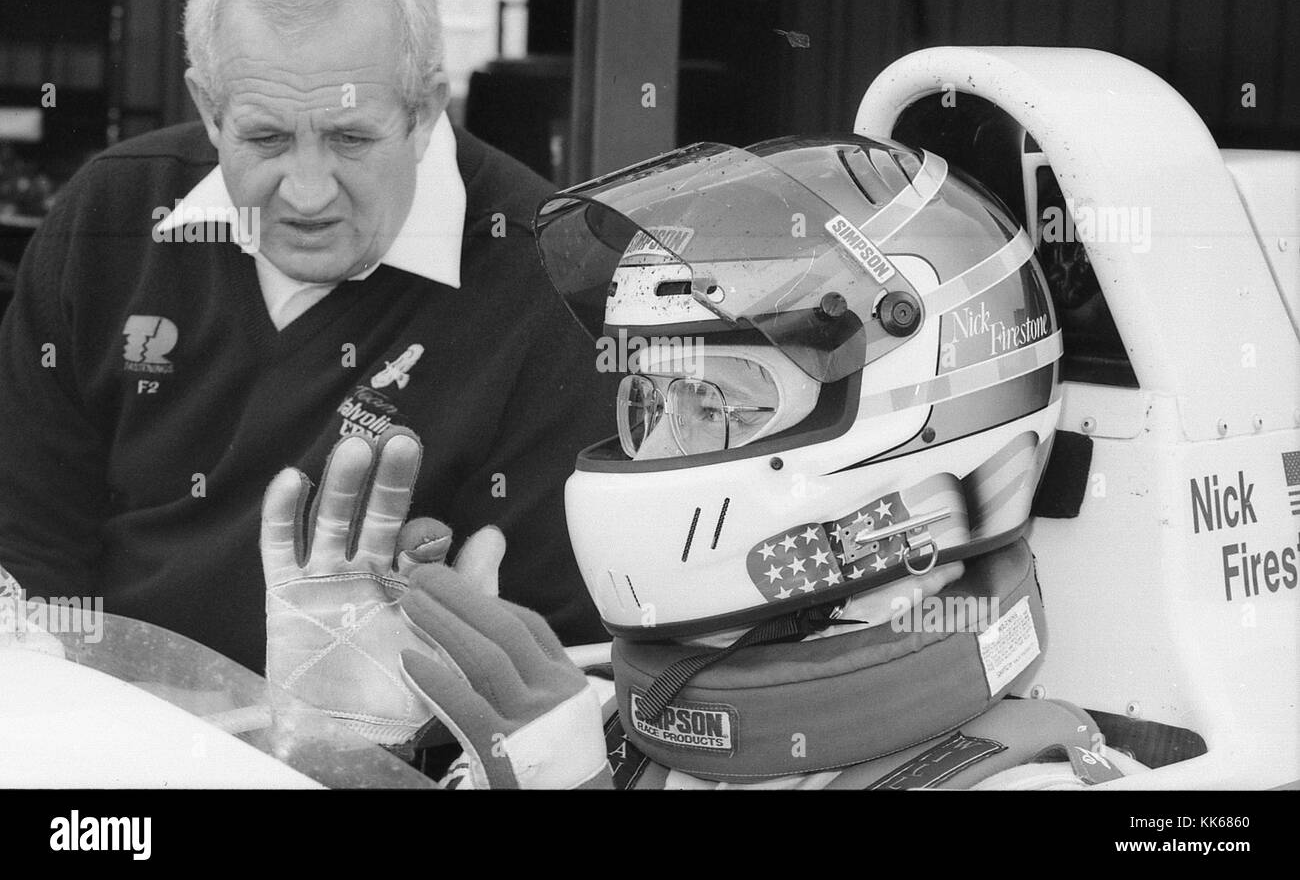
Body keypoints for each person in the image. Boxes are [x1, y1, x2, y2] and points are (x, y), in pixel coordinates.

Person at [263, 134, 1151, 789]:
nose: (663, 444)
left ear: (920, 415)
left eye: (721, 401)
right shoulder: (596, 730)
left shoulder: (1029, 783)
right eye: (649, 402)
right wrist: (356, 753)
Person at [0, 0, 614, 672]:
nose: (308, 191)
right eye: (264, 138)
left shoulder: (552, 283)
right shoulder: (112, 216)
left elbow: (563, 656)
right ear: (209, 105)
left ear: (424, 112)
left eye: (350, 138)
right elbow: (27, 545)